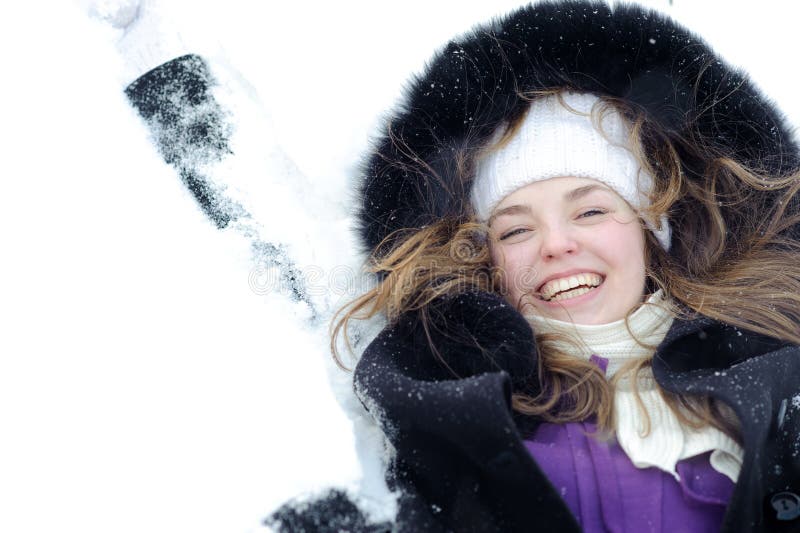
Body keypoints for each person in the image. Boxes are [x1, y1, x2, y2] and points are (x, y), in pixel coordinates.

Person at [268, 1, 800, 532]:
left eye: (590, 210)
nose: (555, 244)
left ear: (651, 230)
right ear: (485, 261)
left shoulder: (775, 373)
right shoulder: (443, 399)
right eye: (515, 229)